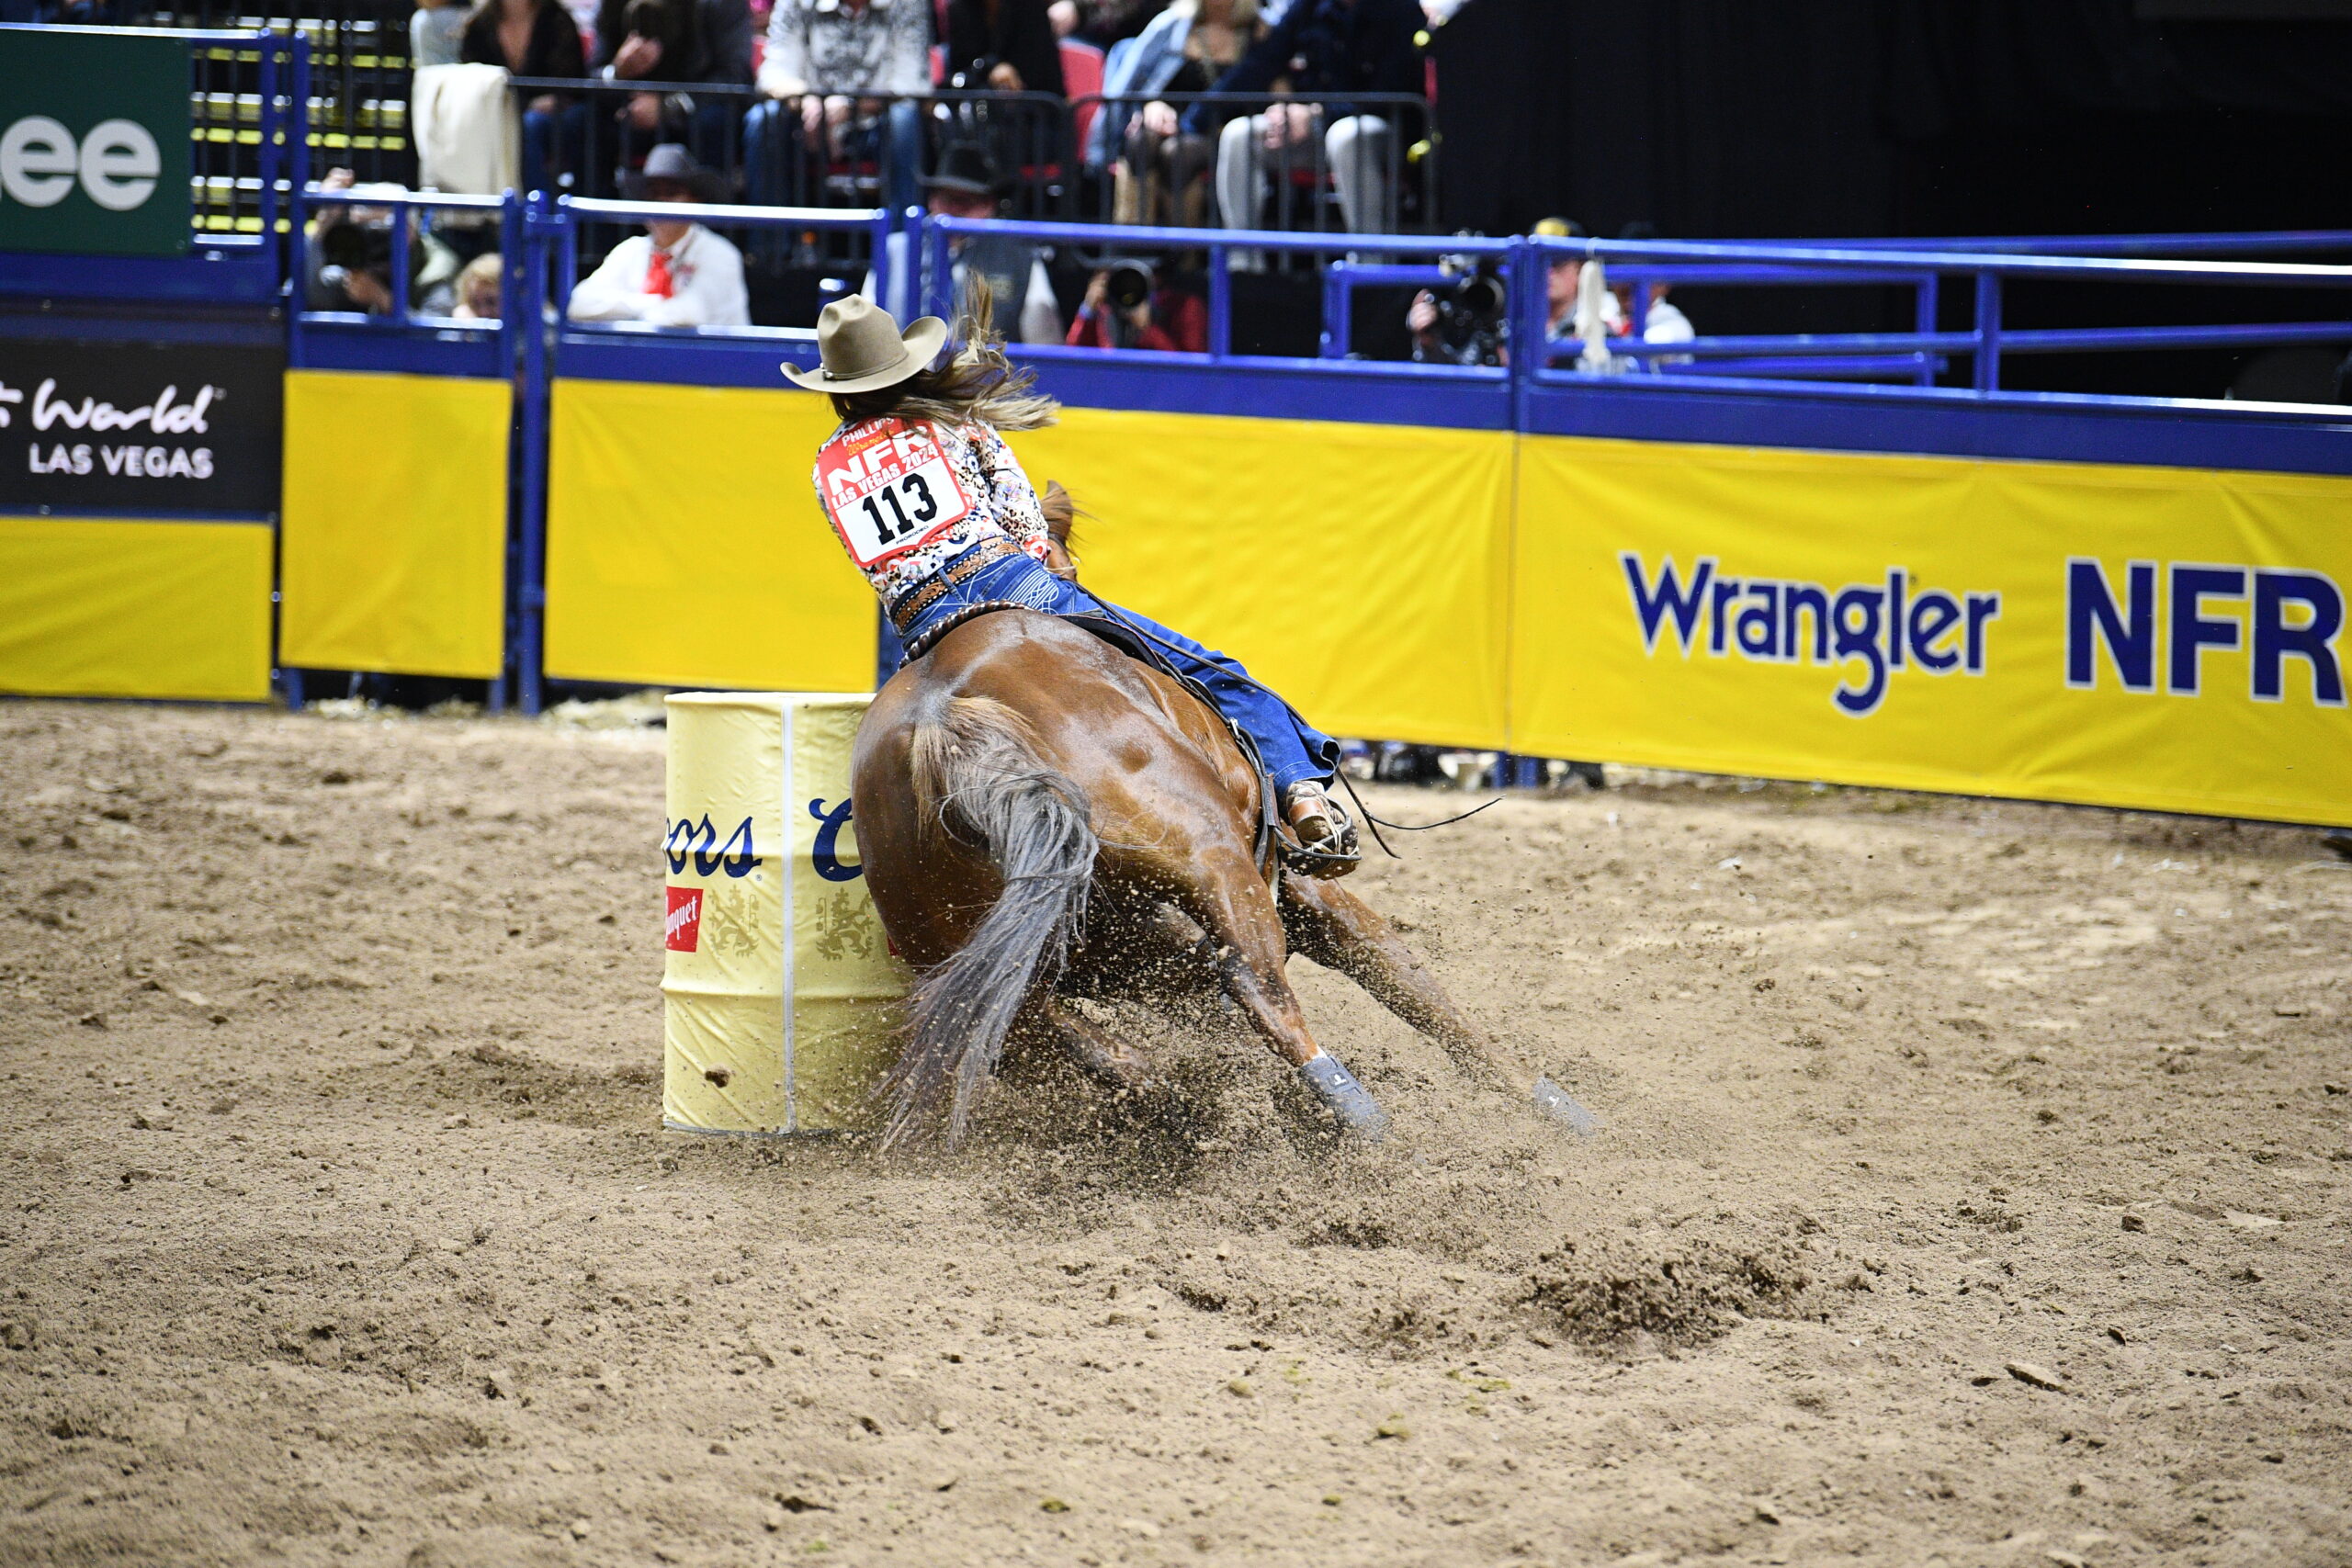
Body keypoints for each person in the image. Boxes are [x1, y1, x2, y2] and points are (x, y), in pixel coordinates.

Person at [783, 294, 1354, 857]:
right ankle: (1299, 791)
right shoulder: (954, 422)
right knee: (1210, 670)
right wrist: (1045, 558)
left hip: (921, 625)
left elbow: (873, 563)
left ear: (837, 390)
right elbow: (1024, 521)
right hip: (1011, 586)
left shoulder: (825, 465)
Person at [1193, 0, 1421, 238]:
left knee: (1346, 135)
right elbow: (1259, 65)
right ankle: (1243, 264)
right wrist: (1193, 121)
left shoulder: (1401, 9)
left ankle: (1371, 261)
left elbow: (1388, 93)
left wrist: (1316, 114)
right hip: (1316, 128)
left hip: (1384, 128)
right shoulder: (1308, 7)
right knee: (1239, 133)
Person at [862, 144, 1061, 344]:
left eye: (966, 202)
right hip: (904, 370)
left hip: (984, 373)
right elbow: (865, 331)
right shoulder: (895, 251)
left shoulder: (1020, 258)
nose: (953, 211)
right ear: (932, 201)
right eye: (947, 200)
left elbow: (1044, 343)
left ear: (988, 206)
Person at [744, 0, 932, 204]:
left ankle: (902, 232)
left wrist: (848, 106)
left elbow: (911, 82)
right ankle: (770, 232)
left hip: (876, 124)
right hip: (808, 120)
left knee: (904, 118)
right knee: (763, 118)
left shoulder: (908, 3)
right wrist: (809, 101)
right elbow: (774, 73)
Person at [1094, 0, 1261, 227]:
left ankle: (1183, 253)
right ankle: (1129, 249)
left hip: (1222, 129)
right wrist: (1150, 104)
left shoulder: (1260, 29)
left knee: (1178, 153)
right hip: (1167, 121)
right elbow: (1127, 87)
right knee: (1142, 140)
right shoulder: (1172, 23)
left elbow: (1274, 88)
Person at [567, 144, 751, 325]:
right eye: (653, 195)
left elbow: (688, 316)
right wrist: (649, 302)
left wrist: (621, 308)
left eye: (671, 194)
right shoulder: (631, 250)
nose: (661, 204)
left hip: (712, 355)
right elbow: (579, 304)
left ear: (695, 201)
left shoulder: (720, 254)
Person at [594, 0, 755, 172]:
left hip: (699, 109)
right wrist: (619, 71)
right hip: (631, 109)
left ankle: (708, 196)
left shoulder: (723, 4)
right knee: (581, 119)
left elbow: (734, 74)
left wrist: (667, 107)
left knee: (714, 121)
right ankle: (593, 198)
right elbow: (593, 72)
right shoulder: (611, 5)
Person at [1066, 262, 1206, 351]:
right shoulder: (1106, 303)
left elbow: (1188, 373)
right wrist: (1088, 311)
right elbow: (1074, 359)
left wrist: (1148, 329)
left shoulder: (1185, 306)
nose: (1128, 288)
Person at [944, 0, 1066, 94]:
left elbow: (1041, 73)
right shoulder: (959, 9)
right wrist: (992, 67)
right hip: (975, 106)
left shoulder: (1031, 6)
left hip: (1033, 107)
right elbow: (961, 66)